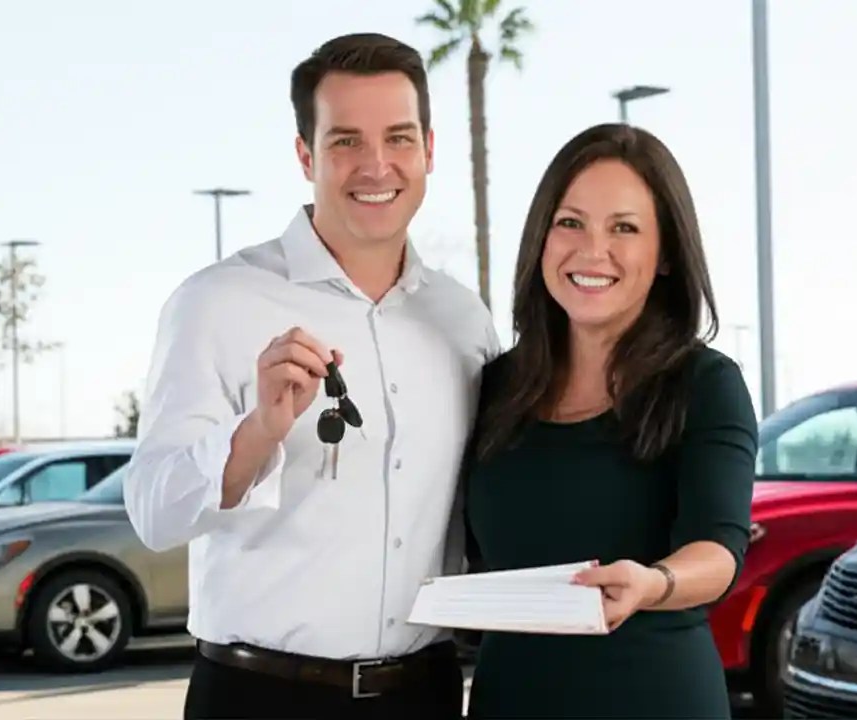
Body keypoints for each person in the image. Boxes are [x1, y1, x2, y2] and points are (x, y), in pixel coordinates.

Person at [124, 32, 499, 720]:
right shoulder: (218, 302)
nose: (376, 164)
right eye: (346, 141)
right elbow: (153, 512)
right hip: (260, 697)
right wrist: (260, 430)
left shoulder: (463, 320)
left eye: (399, 137)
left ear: (429, 150)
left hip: (427, 696)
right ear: (306, 155)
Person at [461, 123, 758, 718]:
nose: (592, 251)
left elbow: (718, 549)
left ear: (666, 253)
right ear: (542, 238)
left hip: (655, 696)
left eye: (623, 228)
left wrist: (654, 584)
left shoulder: (705, 385)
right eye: (571, 223)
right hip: (510, 699)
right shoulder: (494, 387)